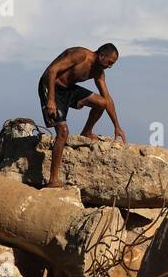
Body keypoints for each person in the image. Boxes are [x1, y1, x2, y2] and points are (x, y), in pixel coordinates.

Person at [37, 44, 126, 188]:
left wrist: (117, 126)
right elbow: (52, 71)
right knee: (63, 132)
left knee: (101, 103)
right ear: (101, 56)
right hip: (50, 85)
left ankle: (87, 132)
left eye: (113, 64)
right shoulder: (80, 55)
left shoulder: (99, 73)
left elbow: (107, 99)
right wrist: (51, 100)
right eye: (109, 62)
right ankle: (53, 180)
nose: (110, 66)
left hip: (69, 89)